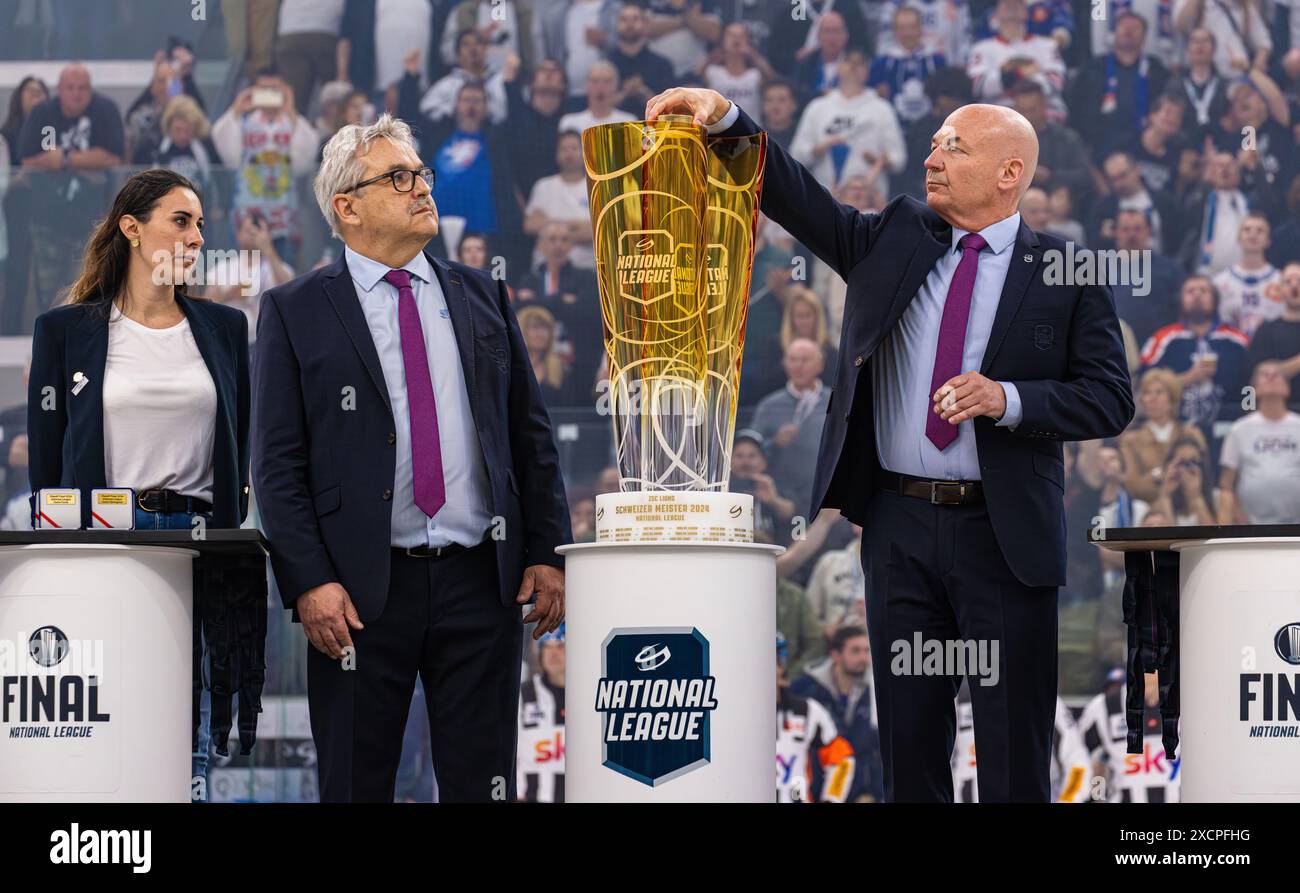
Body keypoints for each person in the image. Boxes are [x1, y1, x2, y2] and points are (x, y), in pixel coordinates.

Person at [644, 82, 1133, 803]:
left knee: (1010, 747)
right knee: (909, 743)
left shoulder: (1067, 271)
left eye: (954, 147)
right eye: (934, 143)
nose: (932, 157)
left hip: (1004, 535)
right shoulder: (893, 236)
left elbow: (1110, 397)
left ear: (1010, 173)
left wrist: (1009, 399)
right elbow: (797, 196)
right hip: (898, 526)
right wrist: (725, 119)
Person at [251, 115, 570, 802]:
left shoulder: (482, 292)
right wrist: (309, 582)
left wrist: (547, 549)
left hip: (481, 585)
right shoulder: (294, 310)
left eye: (419, 173)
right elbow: (276, 465)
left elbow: (528, 432)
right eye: (398, 177)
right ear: (347, 206)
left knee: (481, 784)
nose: (420, 187)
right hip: (356, 596)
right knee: (355, 785)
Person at [27, 168, 250, 796]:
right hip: (104, 535)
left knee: (191, 713)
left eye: (201, 225)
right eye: (181, 221)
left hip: (200, 538)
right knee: (102, 701)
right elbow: (47, 468)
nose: (197, 237)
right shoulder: (64, 332)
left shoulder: (227, 331)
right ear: (132, 229)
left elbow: (241, 456)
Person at [790, 625, 883, 802]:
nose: (863, 658)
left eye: (866, 651)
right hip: (813, 792)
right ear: (835, 655)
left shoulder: (877, 690)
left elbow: (878, 750)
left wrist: (873, 793)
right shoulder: (804, 689)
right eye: (855, 651)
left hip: (861, 795)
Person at [1217, 361, 1300, 524]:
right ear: (1253, 389)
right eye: (1265, 374)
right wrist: (1239, 520)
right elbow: (1226, 484)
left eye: (1277, 374)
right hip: (1250, 524)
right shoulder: (1239, 429)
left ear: (1287, 388)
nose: (1271, 377)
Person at [776, 634, 854, 803]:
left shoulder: (807, 710)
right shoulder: (733, 715)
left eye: (778, 661)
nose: (777, 668)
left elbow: (842, 759)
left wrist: (831, 800)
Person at [1118, 367, 1209, 503]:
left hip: (1188, 507)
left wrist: (1156, 477)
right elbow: (1132, 486)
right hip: (1148, 511)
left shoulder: (1192, 434)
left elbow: (1205, 478)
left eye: (1159, 392)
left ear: (1172, 400)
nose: (1152, 398)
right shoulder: (1131, 440)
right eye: (1147, 393)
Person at [517, 624, 565, 803]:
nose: (553, 654)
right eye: (547, 647)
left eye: (560, 647)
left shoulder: (586, 695)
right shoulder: (524, 695)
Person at [1246, 263, 1300, 412]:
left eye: (1299, 281)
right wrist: (1247, 411)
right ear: (1279, 290)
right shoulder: (1266, 331)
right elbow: (1249, 379)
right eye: (1288, 282)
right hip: (1274, 415)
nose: (1294, 286)